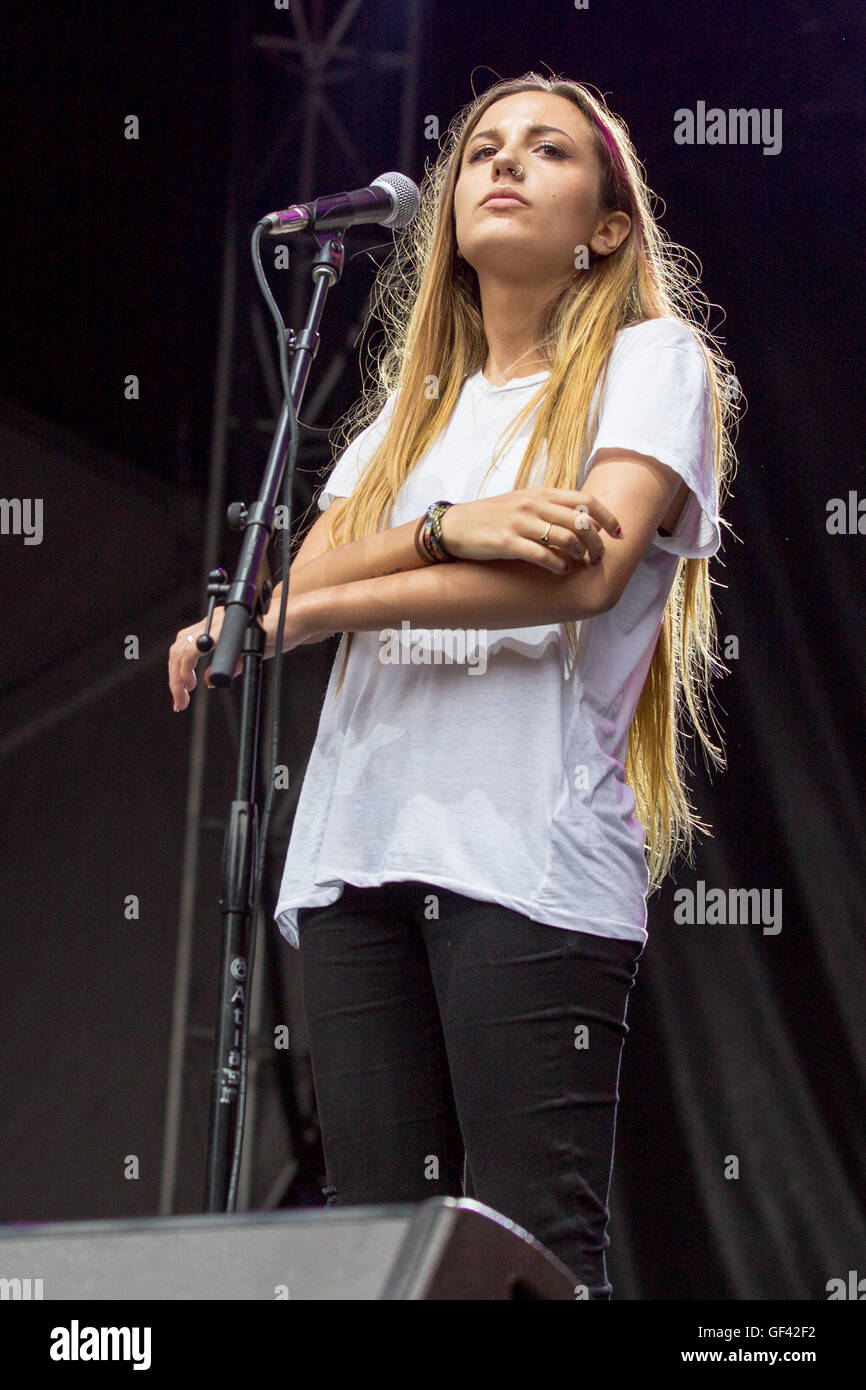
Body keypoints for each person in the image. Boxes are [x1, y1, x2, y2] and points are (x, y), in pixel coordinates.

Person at [168, 72, 738, 1299]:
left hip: (521, 863)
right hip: (357, 855)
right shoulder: (398, 426)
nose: (502, 163)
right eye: (483, 146)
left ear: (605, 224)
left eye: (545, 151)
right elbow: (300, 581)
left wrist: (335, 586)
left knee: (527, 1251)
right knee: (383, 1253)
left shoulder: (653, 358)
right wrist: (446, 530)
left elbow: (574, 581)